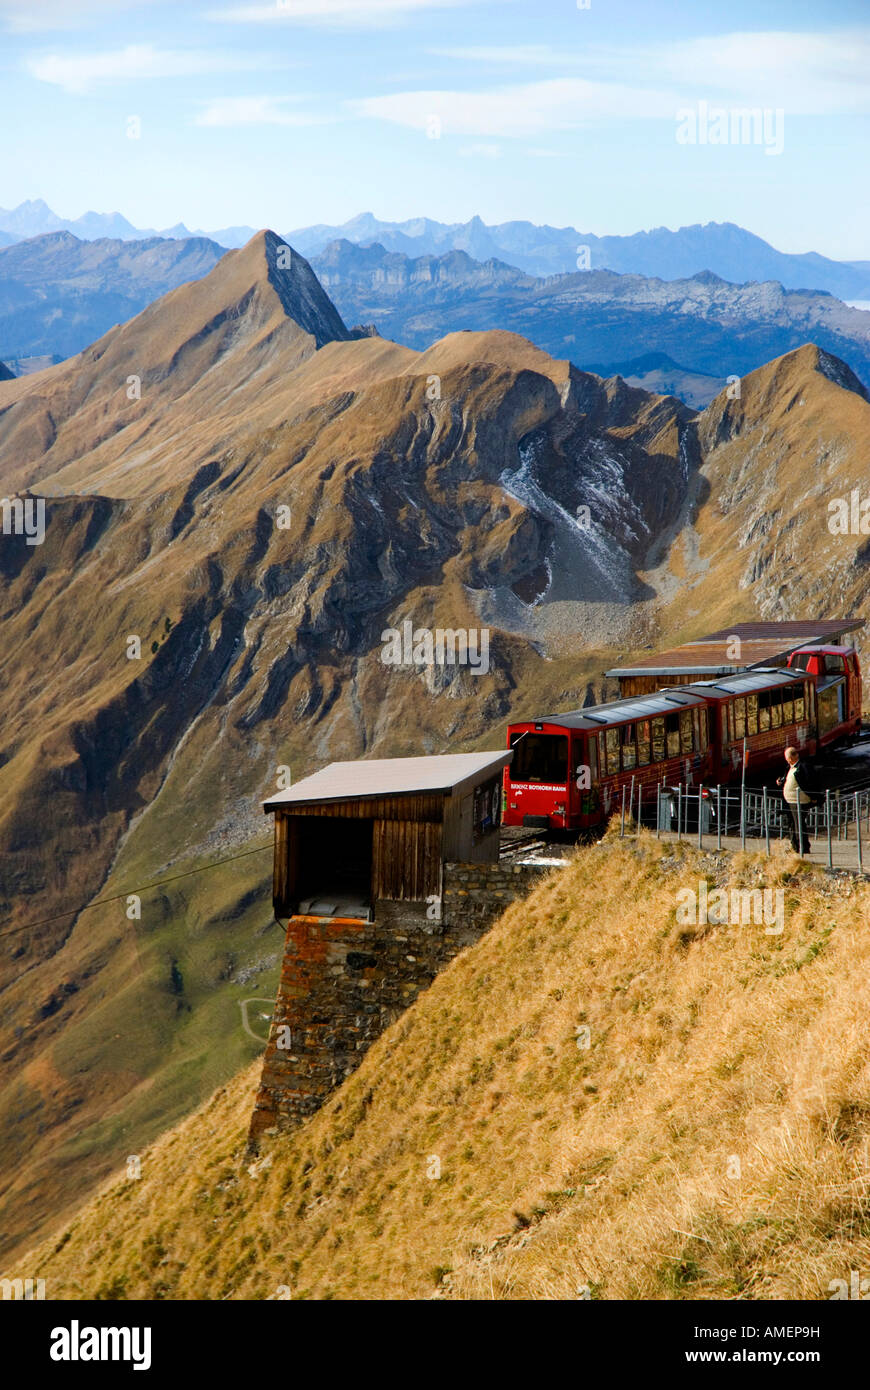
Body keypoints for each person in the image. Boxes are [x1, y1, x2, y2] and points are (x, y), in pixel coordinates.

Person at [776, 746, 814, 853]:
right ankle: (795, 846)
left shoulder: (804, 767)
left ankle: (803, 848)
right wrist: (781, 781)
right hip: (789, 801)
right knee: (791, 823)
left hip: (799, 801)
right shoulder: (790, 767)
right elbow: (788, 778)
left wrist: (814, 797)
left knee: (799, 824)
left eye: (787, 758)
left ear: (792, 757)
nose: (787, 760)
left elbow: (810, 782)